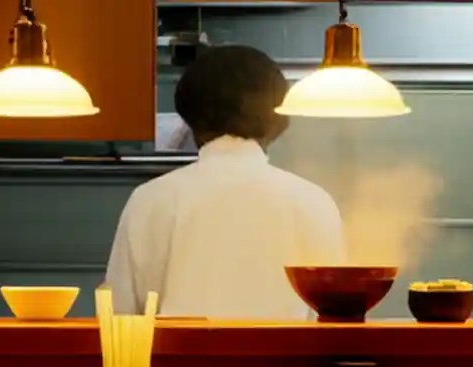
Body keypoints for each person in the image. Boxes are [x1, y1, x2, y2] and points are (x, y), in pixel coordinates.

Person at [105, 46, 345, 318]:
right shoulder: (313, 201)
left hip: (173, 348)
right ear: (279, 119)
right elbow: (335, 320)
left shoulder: (150, 199)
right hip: (289, 349)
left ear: (189, 117)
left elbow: (118, 319)